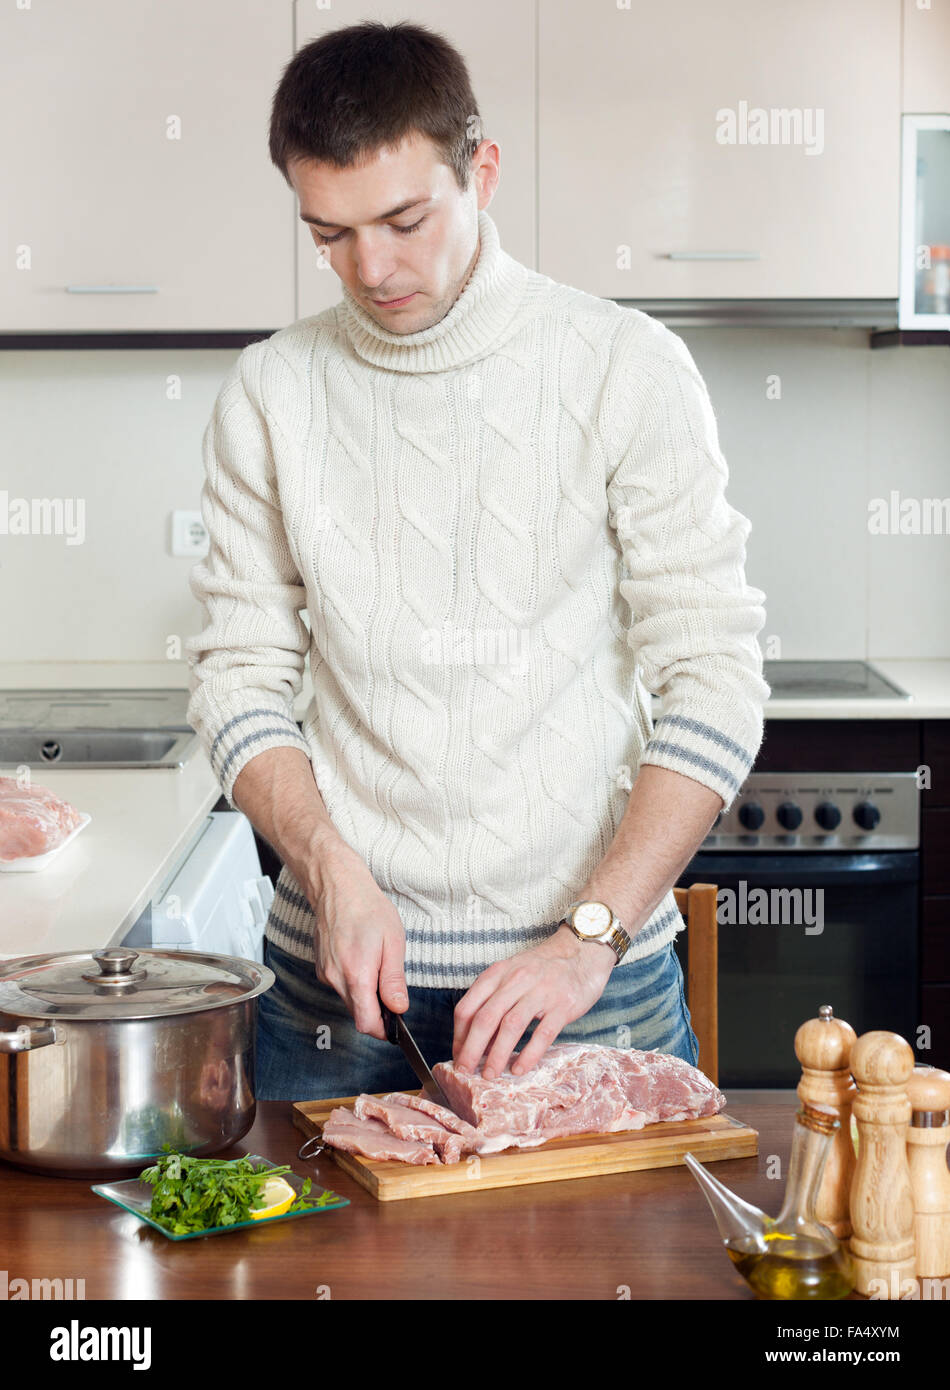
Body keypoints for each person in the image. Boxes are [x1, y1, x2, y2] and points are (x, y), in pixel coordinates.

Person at [185, 20, 770, 1102]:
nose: (371, 267)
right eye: (329, 233)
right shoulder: (270, 392)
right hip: (335, 993)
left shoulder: (623, 368)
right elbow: (237, 680)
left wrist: (588, 932)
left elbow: (716, 680)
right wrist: (328, 867)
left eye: (404, 219)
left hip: (591, 990)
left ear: (481, 172)